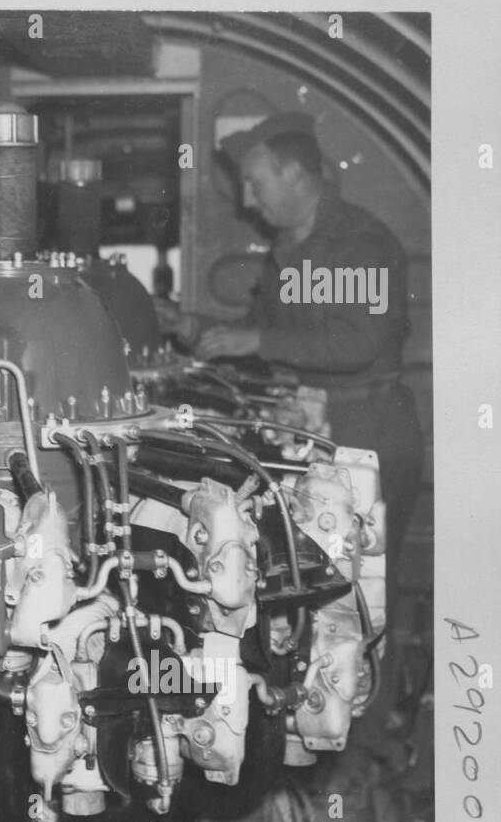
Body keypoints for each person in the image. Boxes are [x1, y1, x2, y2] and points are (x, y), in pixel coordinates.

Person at [156, 112, 425, 768]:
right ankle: (317, 728)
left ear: (296, 173)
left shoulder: (361, 243)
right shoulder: (289, 253)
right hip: (315, 434)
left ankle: (366, 750)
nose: (248, 201)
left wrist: (255, 337)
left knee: (363, 594)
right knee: (319, 592)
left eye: (255, 182)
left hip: (366, 431)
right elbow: (269, 339)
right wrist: (194, 327)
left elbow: (357, 341)